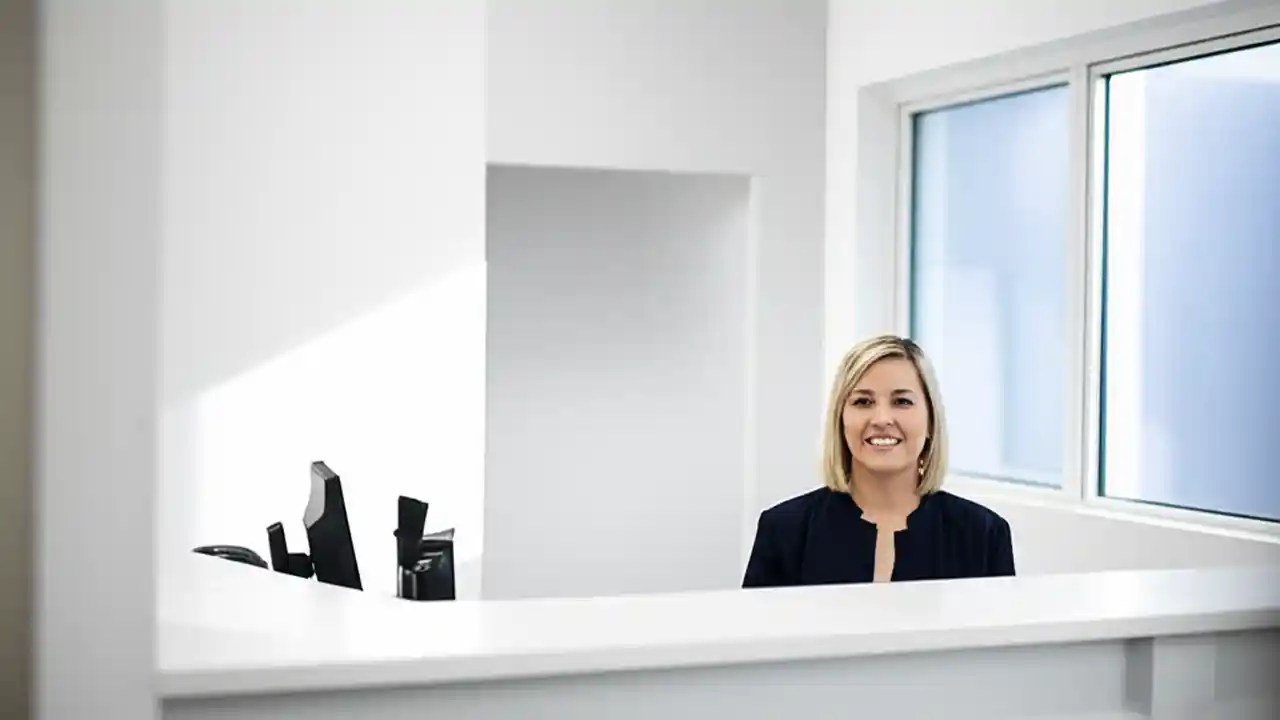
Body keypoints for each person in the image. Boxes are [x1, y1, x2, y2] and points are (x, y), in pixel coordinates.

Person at [743, 334, 1014, 587]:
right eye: (863, 402)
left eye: (902, 401)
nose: (882, 419)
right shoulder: (784, 530)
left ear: (931, 419)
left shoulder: (984, 535)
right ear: (841, 419)